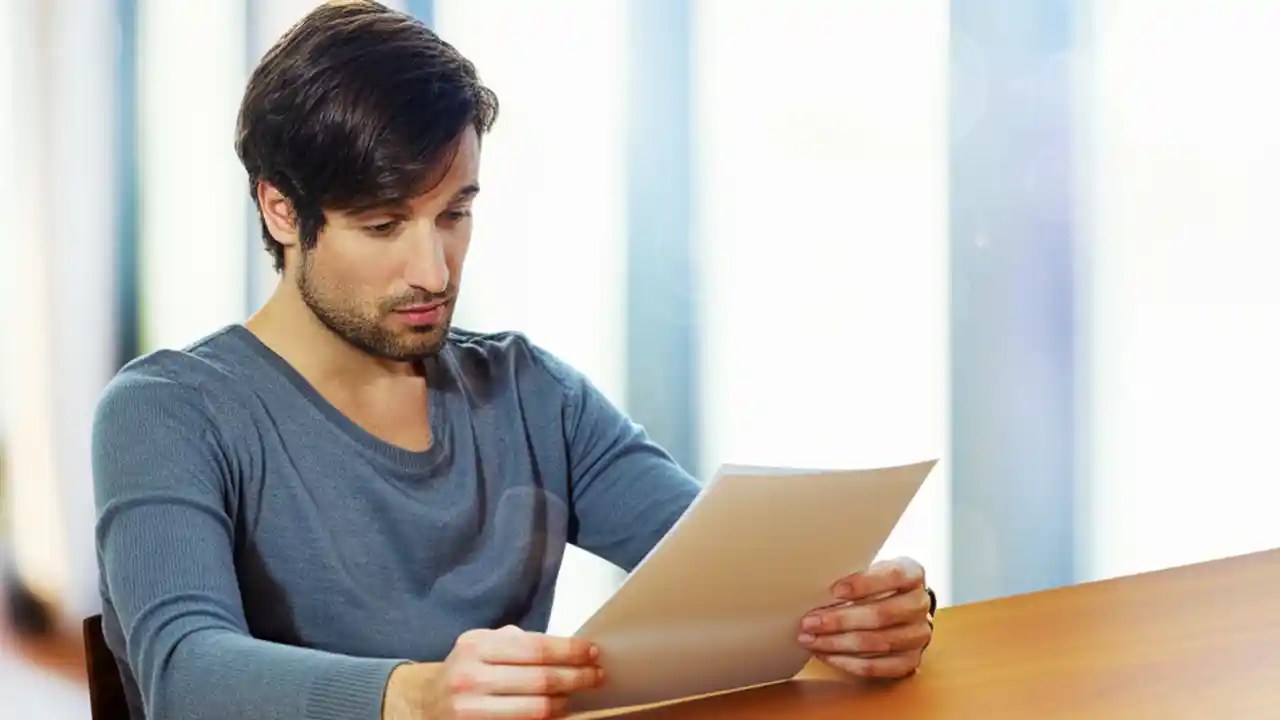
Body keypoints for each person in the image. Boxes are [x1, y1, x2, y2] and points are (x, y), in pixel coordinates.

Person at [91, 2, 935, 718]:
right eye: (384, 226)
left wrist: (870, 609)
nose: (434, 270)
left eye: (455, 213)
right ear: (282, 210)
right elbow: (182, 673)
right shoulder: (169, 411)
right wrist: (420, 696)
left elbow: (732, 578)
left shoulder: (531, 395)